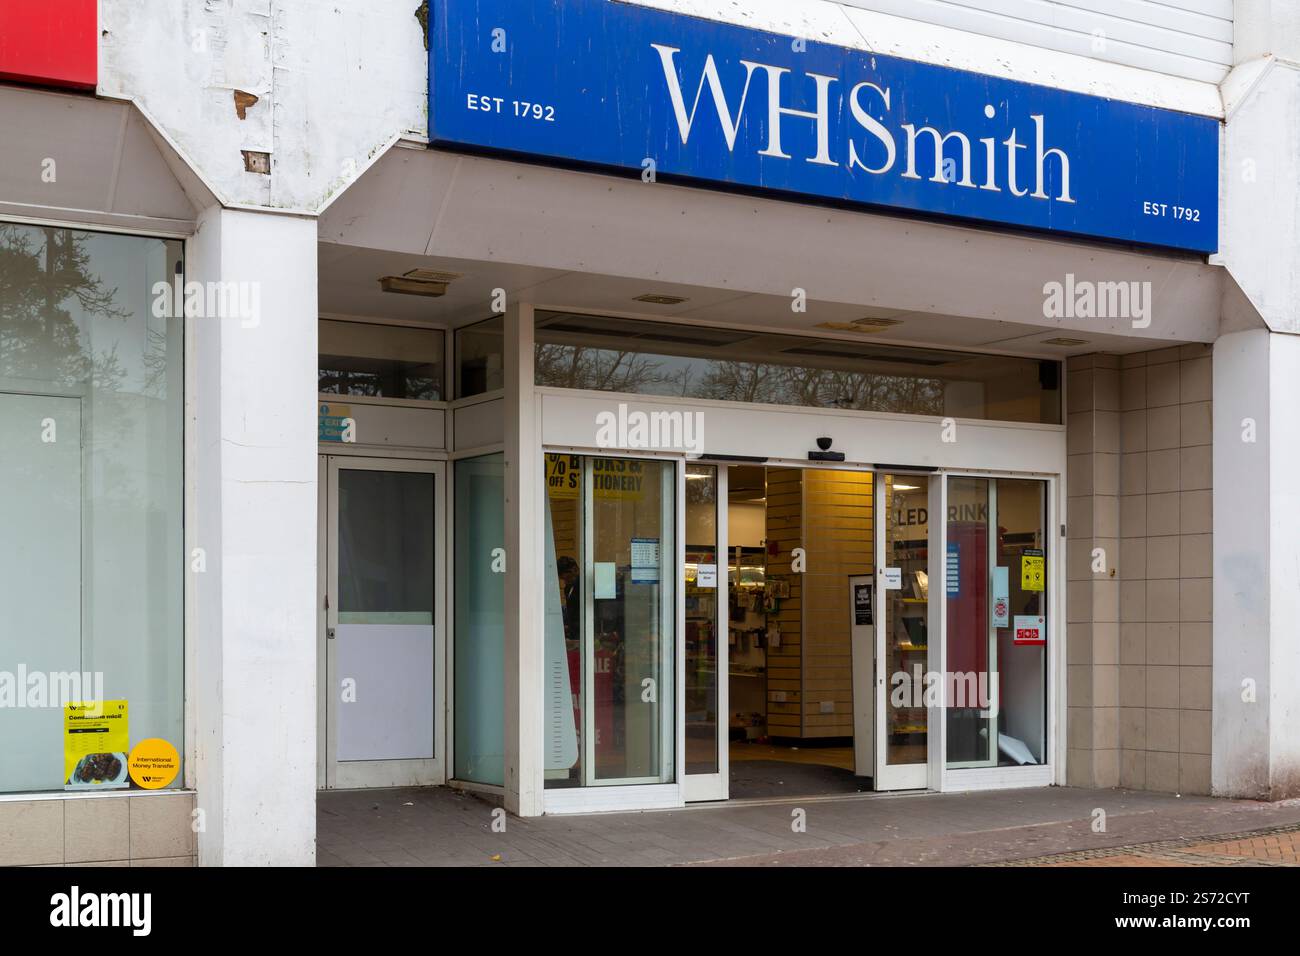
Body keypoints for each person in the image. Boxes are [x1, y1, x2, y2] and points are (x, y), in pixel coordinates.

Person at [556, 556, 580, 644]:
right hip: (574, 632)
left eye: (567, 577)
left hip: (582, 631)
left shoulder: (582, 585)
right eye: (563, 579)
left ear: (574, 570)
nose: (565, 581)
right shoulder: (568, 587)